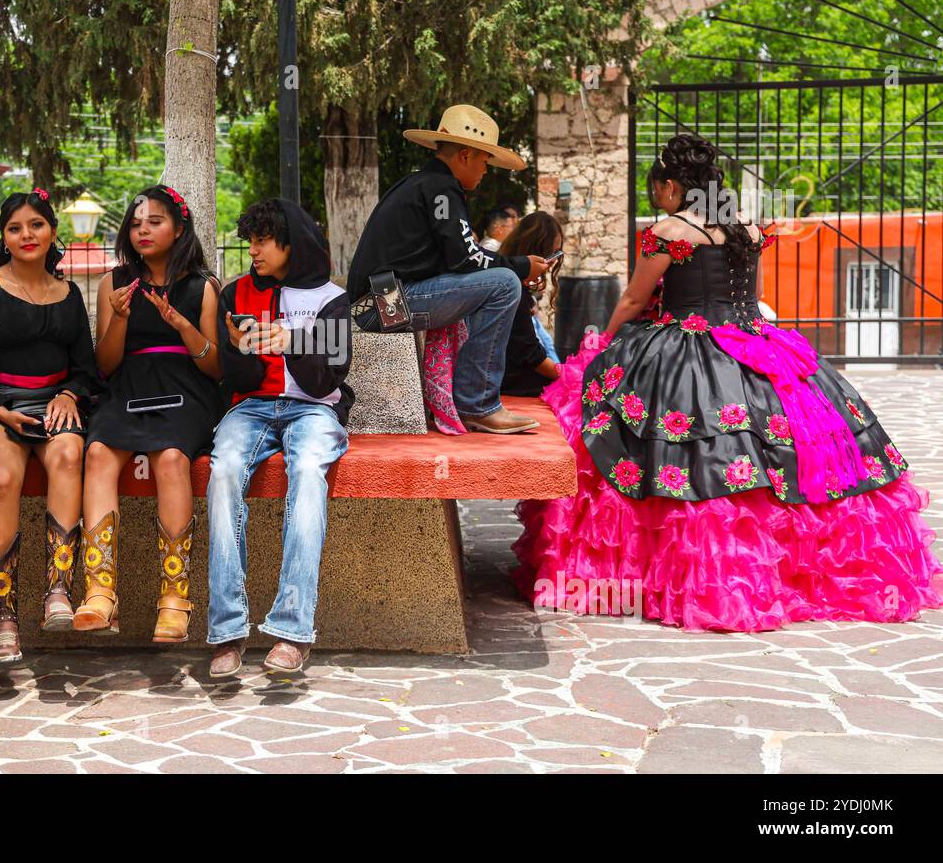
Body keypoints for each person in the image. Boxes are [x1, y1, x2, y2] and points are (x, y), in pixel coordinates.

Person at [514, 132, 943, 631]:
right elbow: (754, 297)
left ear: (671, 184)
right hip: (754, 342)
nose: (656, 197)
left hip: (682, 349)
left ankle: (664, 573)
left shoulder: (670, 231)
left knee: (661, 444)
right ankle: (788, 573)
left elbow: (634, 300)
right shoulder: (747, 228)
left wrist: (604, 342)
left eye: (657, 189)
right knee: (783, 445)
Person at [207, 199, 353, 677]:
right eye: (249, 240)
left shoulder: (331, 298)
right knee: (224, 469)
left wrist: (294, 342)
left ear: (292, 243)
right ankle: (228, 630)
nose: (253, 250)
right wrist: (236, 346)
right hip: (250, 408)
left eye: (263, 240)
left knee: (309, 473)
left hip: (314, 409)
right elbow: (237, 378)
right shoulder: (237, 293)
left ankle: (292, 630)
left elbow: (329, 379)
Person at [347, 104, 550, 434]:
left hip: (377, 301)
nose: (486, 172)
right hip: (381, 305)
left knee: (500, 280)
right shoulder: (441, 188)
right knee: (505, 284)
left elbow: (455, 257)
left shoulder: (424, 184)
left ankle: (471, 400)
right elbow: (465, 259)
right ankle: (478, 404)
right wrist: (520, 266)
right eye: (485, 162)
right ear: (466, 155)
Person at [79, 185, 222, 640]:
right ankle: (100, 593)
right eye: (136, 223)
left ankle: (175, 598)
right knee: (99, 452)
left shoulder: (203, 288)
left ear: (179, 229)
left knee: (172, 458)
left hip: (185, 391)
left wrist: (180, 325)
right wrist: (119, 318)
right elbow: (105, 365)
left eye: (155, 222)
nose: (143, 230)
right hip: (129, 389)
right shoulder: (113, 284)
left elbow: (216, 366)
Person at [0, 189, 99, 660]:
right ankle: (2, 613)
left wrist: (67, 394)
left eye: (36, 225)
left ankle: (58, 592)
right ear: (4, 237)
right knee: (2, 475)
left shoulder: (70, 293)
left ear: (53, 231)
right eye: (15, 228)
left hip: (56, 405)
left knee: (67, 454)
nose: (26, 235)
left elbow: (87, 367)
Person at [497, 211, 565, 397]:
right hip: (511, 384)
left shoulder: (513, 284)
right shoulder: (512, 288)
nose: (552, 263)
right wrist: (570, 375)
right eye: (552, 255)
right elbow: (531, 356)